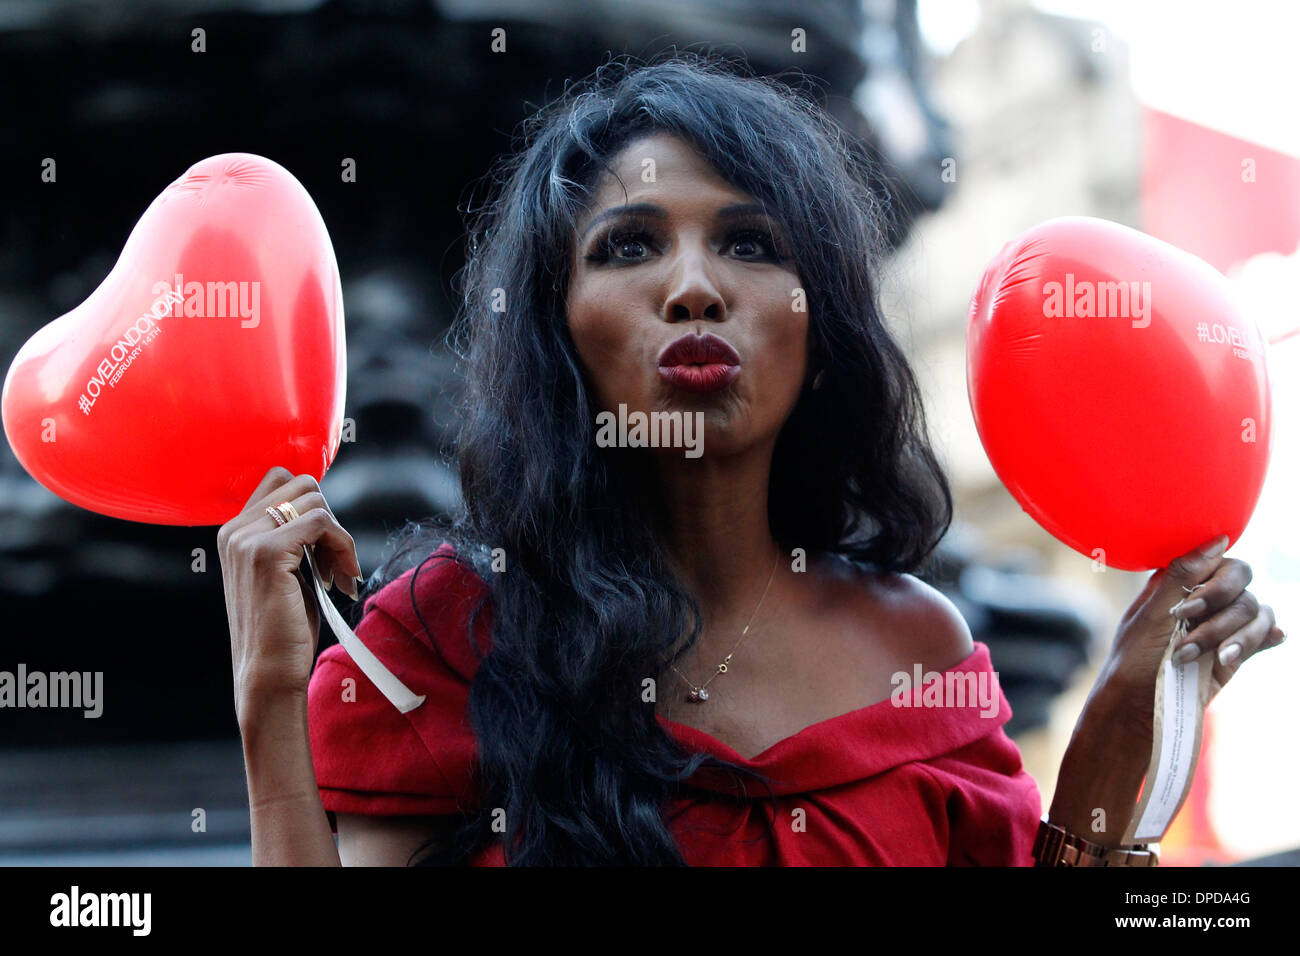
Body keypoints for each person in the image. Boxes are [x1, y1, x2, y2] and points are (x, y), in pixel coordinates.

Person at [218, 53, 1286, 866]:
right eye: (628, 246)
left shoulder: (922, 646)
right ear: (558, 326)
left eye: (751, 242)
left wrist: (1112, 740)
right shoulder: (442, 635)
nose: (692, 287)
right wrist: (272, 700)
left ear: (820, 329)